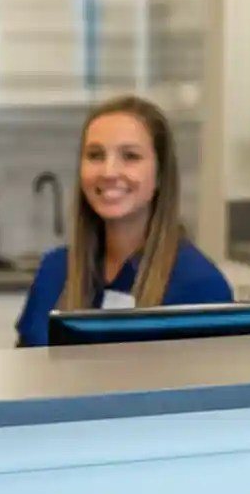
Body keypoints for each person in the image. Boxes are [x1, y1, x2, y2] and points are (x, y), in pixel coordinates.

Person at [15, 95, 233, 347]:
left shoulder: (200, 286)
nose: (108, 172)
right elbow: (23, 374)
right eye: (95, 155)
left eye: (130, 156)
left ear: (161, 173)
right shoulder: (54, 271)